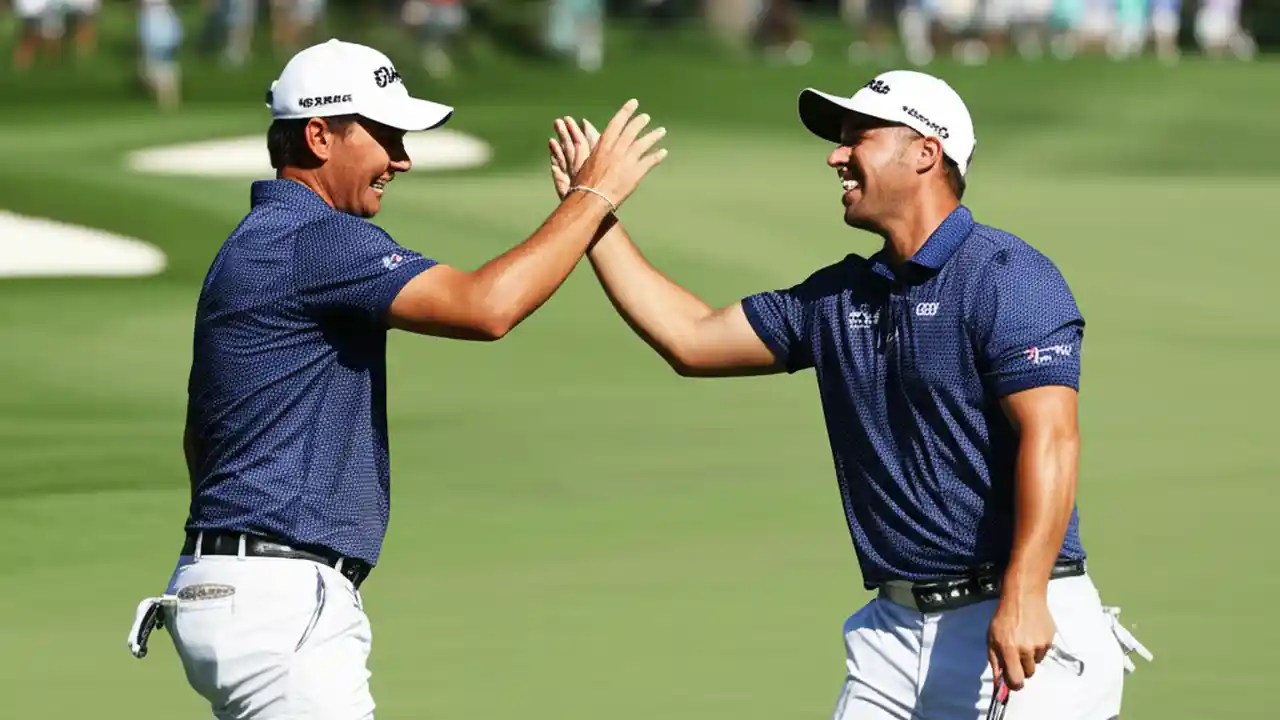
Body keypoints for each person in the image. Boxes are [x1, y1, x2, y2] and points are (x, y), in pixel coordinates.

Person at [548, 70, 1150, 719]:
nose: (837, 154)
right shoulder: (838, 297)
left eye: (859, 136)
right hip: (889, 639)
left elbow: (1052, 434)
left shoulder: (1007, 275)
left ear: (926, 151)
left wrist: (1026, 593)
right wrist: (592, 210)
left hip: (1020, 628)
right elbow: (691, 339)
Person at [125, 38, 666, 719]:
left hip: (226, 587)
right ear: (320, 136)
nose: (401, 159)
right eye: (385, 136)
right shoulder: (316, 239)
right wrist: (594, 196)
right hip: (280, 602)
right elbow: (487, 307)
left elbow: (199, 442)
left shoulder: (251, 243)